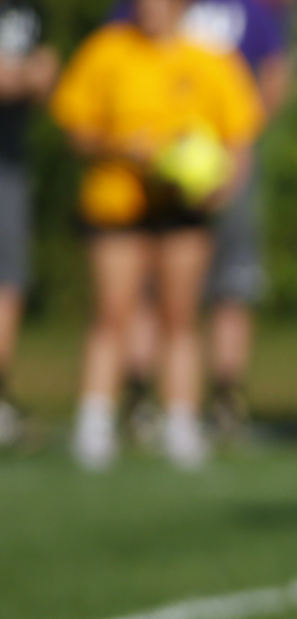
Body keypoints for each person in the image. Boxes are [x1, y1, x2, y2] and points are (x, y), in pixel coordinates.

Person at [51, 0, 262, 470]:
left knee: (179, 316)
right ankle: (95, 421)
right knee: (113, 312)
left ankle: (182, 423)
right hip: (118, 202)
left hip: (182, 208)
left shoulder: (209, 59)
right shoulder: (107, 50)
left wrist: (217, 186)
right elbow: (74, 124)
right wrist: (123, 148)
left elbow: (240, 132)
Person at [113, 0, 291, 444]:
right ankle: (140, 395)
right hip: (149, 169)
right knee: (152, 289)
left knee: (232, 284)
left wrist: (230, 145)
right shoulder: (145, 9)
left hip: (228, 164)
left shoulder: (252, 10)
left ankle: (226, 397)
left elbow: (275, 73)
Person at [0, 0, 56, 449]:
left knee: (9, 281)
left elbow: (47, 75)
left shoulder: (33, 8)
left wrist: (22, 79)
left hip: (10, 161)